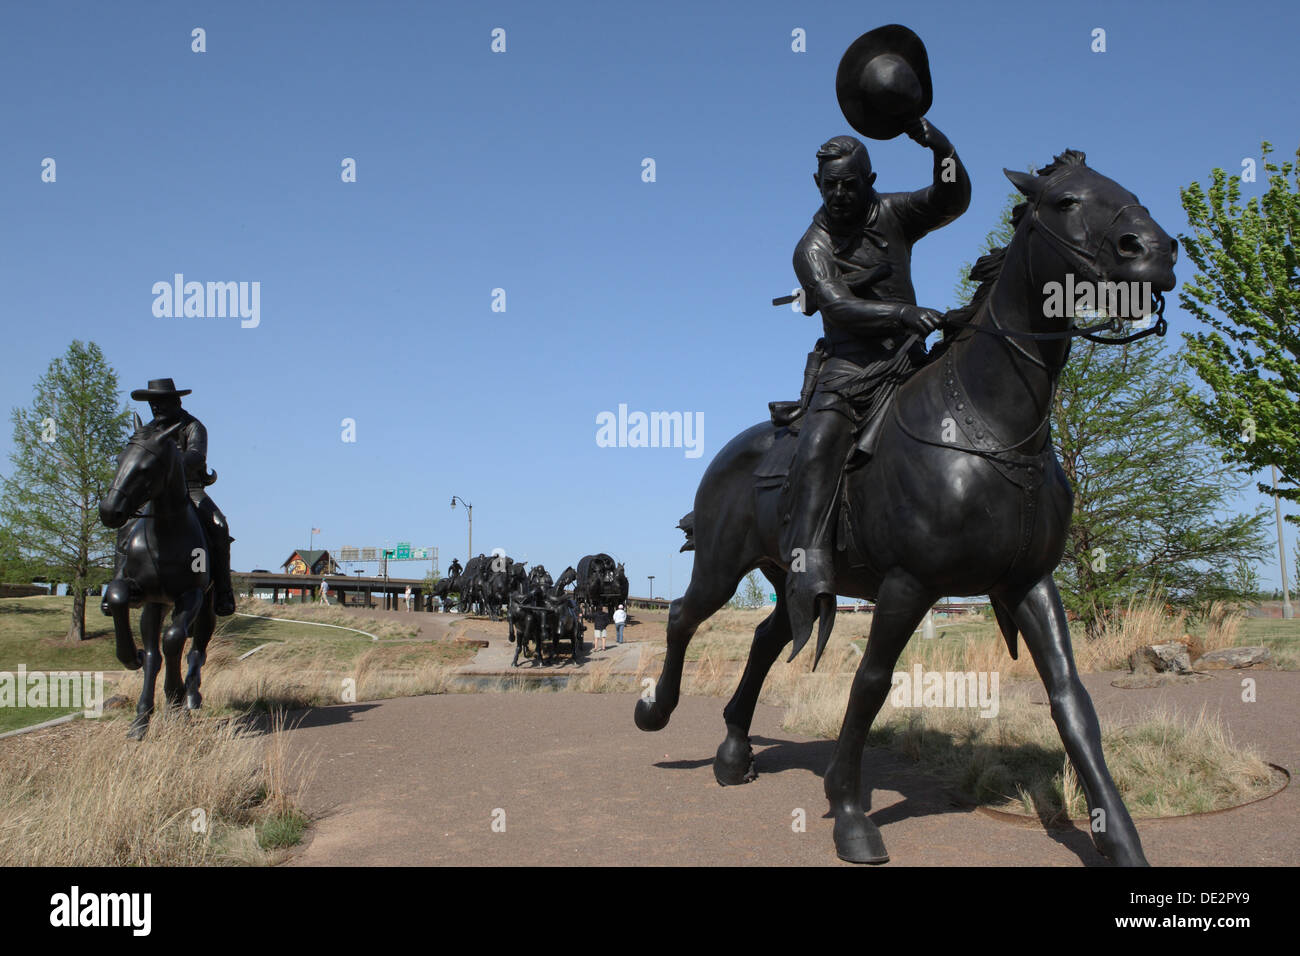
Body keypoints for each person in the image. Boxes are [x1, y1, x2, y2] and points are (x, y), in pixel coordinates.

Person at [113, 379, 238, 616]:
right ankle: (118, 580)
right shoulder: (148, 430)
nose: (156, 408)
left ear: (176, 401)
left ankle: (223, 591)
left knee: (218, 525)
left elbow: (196, 457)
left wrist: (168, 466)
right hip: (155, 491)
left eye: (160, 403)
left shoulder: (194, 426)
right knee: (126, 525)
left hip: (189, 488)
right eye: (152, 404)